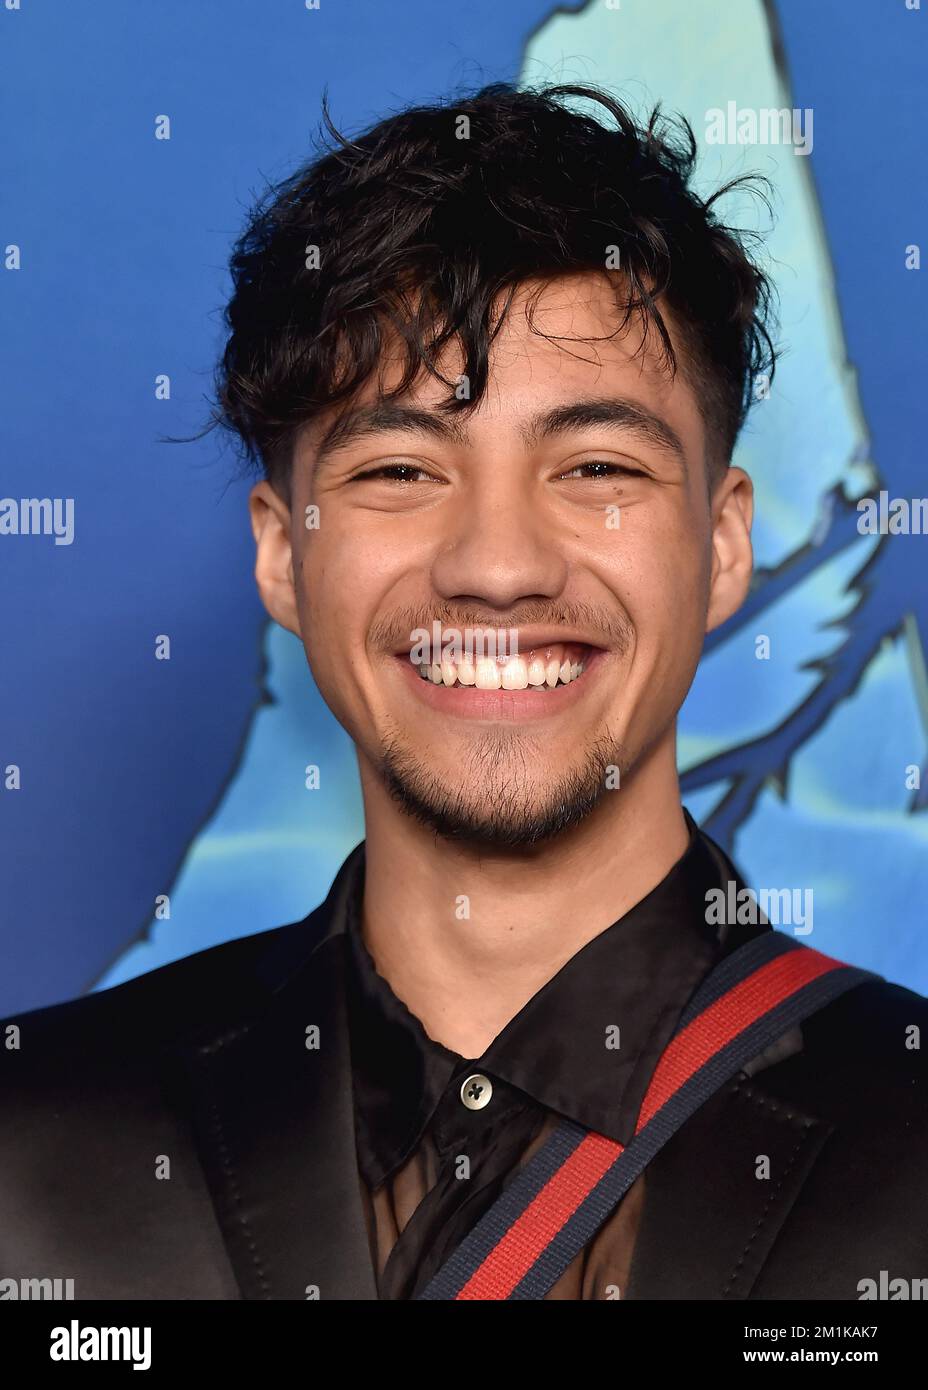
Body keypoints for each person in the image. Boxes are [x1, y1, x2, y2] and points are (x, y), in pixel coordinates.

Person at [1, 83, 925, 1301]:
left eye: (595, 465)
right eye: (399, 468)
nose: (497, 565)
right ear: (283, 551)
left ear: (721, 543)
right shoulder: (29, 1143)